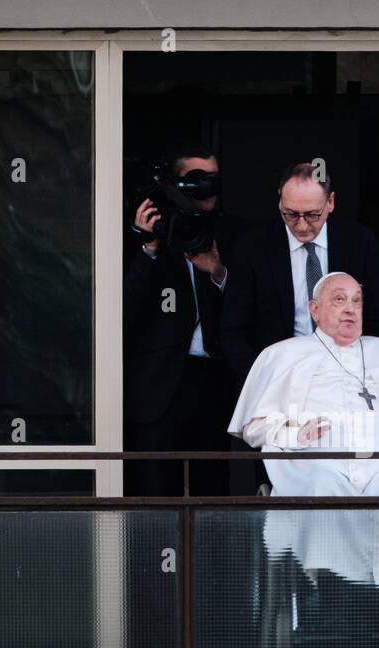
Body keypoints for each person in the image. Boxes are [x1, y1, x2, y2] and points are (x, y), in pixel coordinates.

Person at [227, 271, 379, 587]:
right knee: (324, 488)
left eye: (356, 301)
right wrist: (294, 433)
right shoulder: (282, 355)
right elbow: (253, 428)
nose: (350, 309)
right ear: (314, 310)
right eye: (339, 300)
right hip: (317, 467)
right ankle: (328, 598)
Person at [123, 143, 241, 496]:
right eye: (196, 180)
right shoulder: (149, 229)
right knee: (156, 494)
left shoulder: (230, 232)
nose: (205, 190)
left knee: (212, 493)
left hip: (212, 383)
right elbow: (123, 310)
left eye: (212, 181)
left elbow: (251, 307)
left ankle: (204, 555)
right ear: (176, 184)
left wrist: (219, 272)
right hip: (160, 388)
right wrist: (147, 247)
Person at [220, 162, 379, 381]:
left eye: (312, 215)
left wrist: (371, 375)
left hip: (349, 374)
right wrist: (262, 381)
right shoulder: (252, 248)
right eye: (291, 214)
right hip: (277, 376)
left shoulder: (359, 242)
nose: (301, 226)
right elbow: (233, 331)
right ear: (280, 202)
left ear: (330, 202)